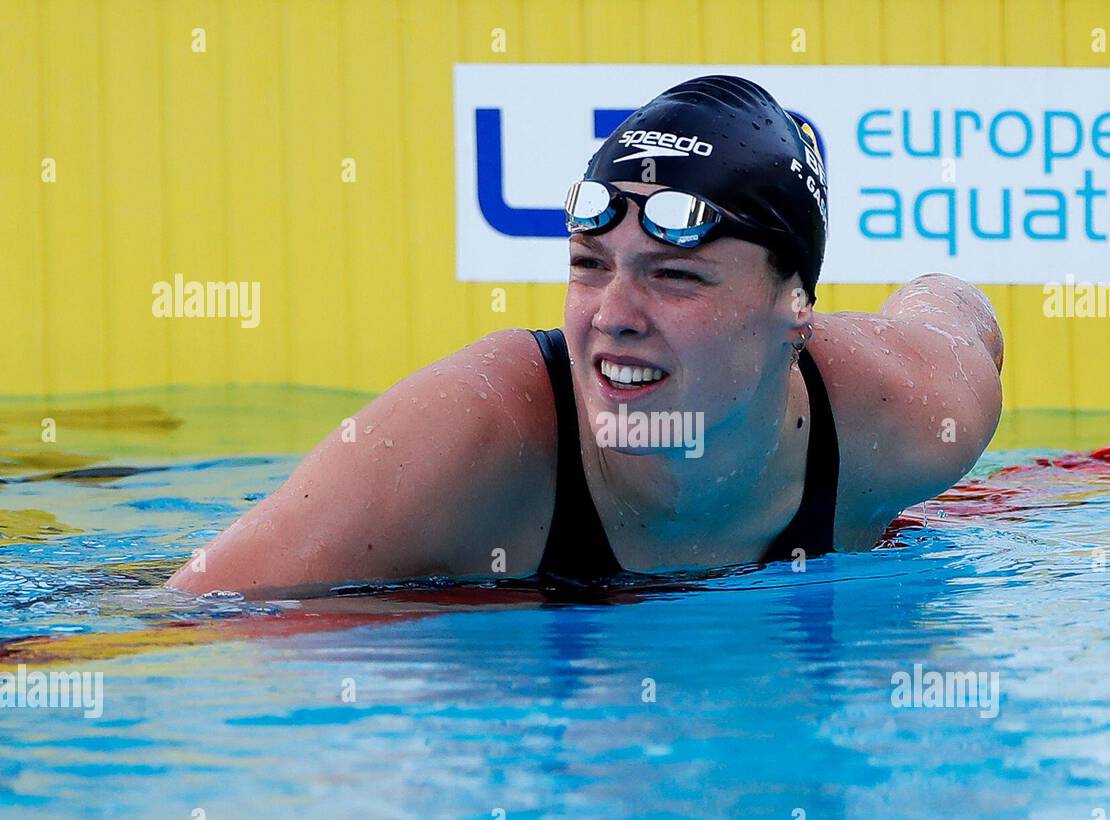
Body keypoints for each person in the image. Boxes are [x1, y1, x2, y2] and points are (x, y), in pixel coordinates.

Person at [167, 75, 1003, 597]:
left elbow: (957, 306)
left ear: (796, 304)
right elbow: (186, 618)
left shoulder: (905, 415)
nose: (613, 314)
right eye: (590, 263)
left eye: (676, 276)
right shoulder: (473, 432)